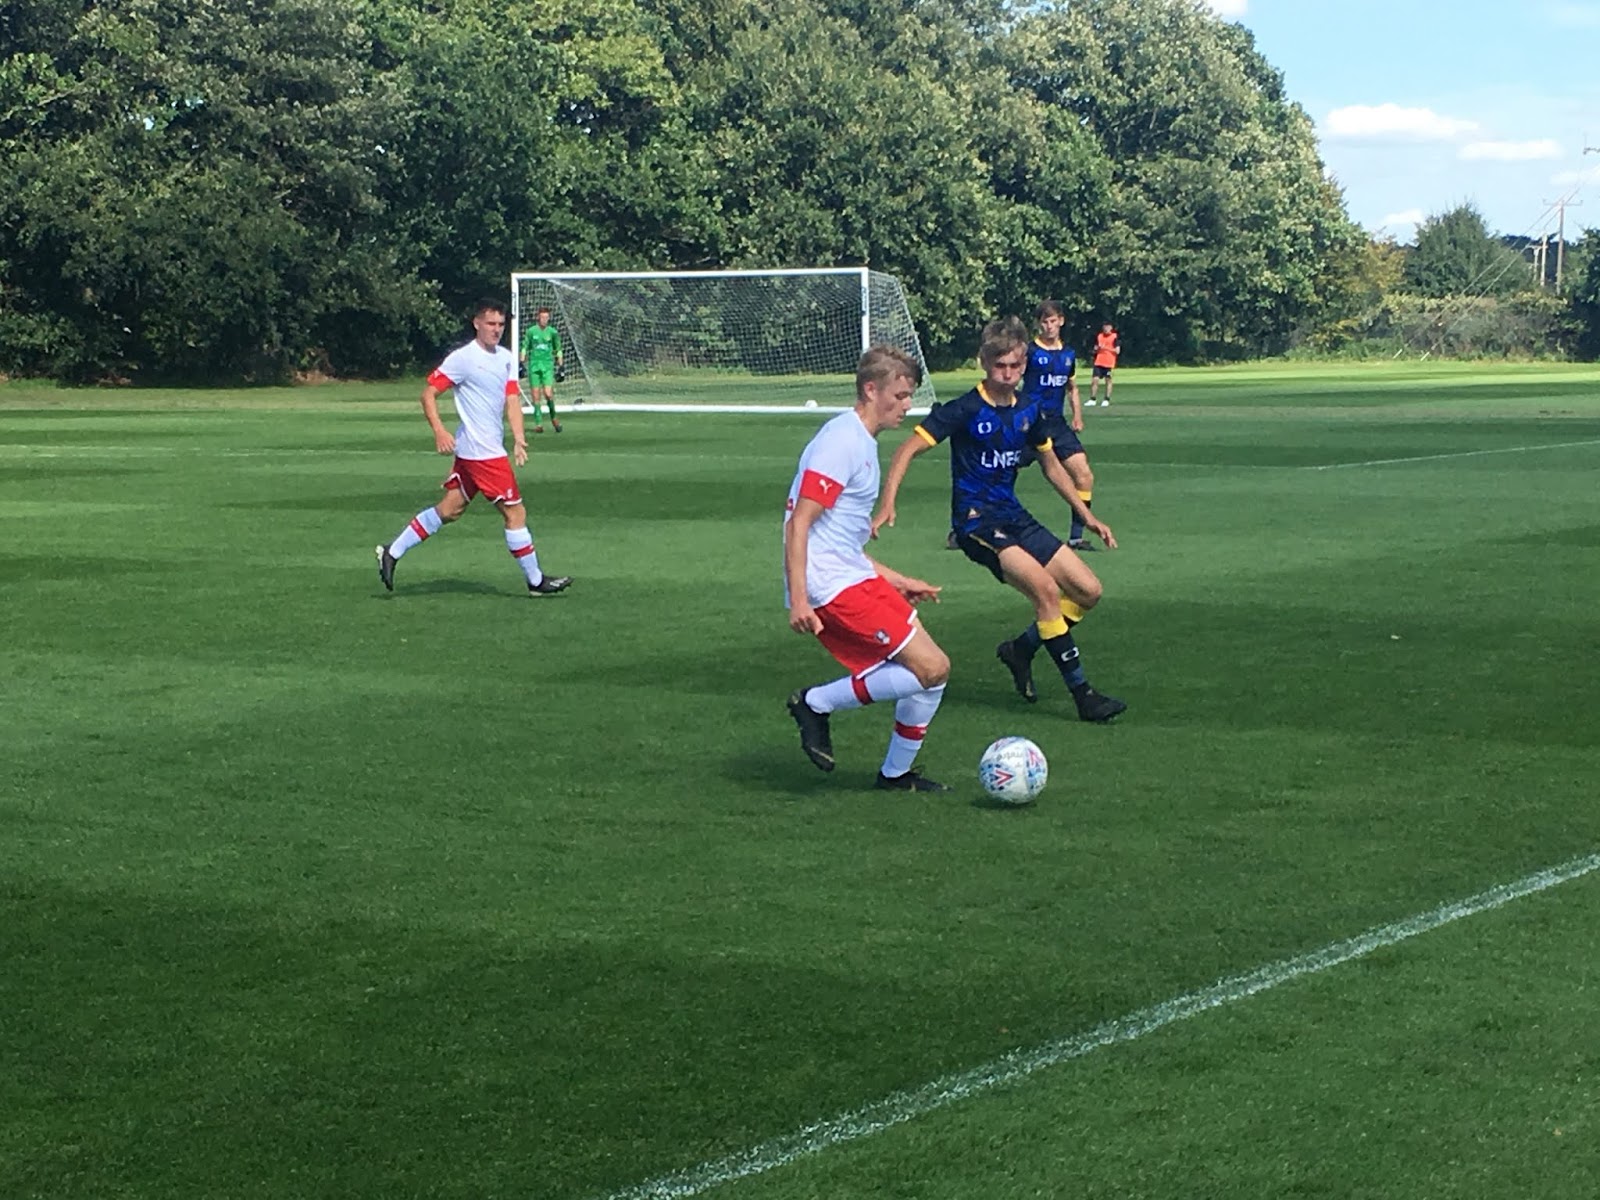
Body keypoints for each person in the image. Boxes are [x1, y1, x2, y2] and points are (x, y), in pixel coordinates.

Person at [874, 316, 1126, 724]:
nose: (1007, 374)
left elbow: (1052, 466)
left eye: (1014, 366)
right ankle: (1084, 696)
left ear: (1025, 363)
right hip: (976, 523)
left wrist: (1087, 516)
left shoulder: (1029, 409)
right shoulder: (965, 409)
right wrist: (888, 503)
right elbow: (906, 450)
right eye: (999, 366)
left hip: (1014, 516)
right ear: (984, 362)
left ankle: (1020, 649)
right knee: (1045, 591)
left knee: (1088, 590)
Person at [784, 346, 953, 792]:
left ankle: (896, 775)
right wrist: (799, 598)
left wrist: (897, 581)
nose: (907, 405)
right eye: (899, 395)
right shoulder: (841, 441)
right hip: (829, 585)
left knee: (933, 673)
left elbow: (843, 544)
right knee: (930, 667)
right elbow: (799, 523)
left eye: (909, 395)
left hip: (850, 575)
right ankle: (815, 703)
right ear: (871, 389)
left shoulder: (861, 442)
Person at [375, 299, 572, 597]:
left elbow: (511, 399)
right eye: (491, 324)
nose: (496, 330)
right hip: (483, 454)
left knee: (450, 509)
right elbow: (428, 395)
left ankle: (392, 551)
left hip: (480, 450)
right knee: (515, 514)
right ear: (476, 323)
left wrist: (519, 437)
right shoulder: (463, 359)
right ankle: (536, 582)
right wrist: (439, 431)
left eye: (501, 325)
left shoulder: (505, 358)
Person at [1023, 300, 1098, 553]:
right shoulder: (1030, 352)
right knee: (997, 474)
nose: (1049, 326)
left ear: (1061, 321)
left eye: (1053, 321)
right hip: (1030, 424)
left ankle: (1076, 538)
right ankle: (964, 527)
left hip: (1057, 424)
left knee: (1084, 475)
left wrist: (1078, 416)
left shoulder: (1068, 355)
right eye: (1044, 322)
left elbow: (1071, 388)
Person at [518, 306, 564, 433]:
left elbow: (558, 349)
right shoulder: (531, 331)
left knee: (548, 394)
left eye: (546, 317)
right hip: (534, 366)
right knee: (535, 395)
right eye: (542, 317)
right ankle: (538, 424)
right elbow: (524, 347)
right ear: (538, 317)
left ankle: (554, 417)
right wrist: (521, 363)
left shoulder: (553, 332)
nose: (544, 319)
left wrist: (561, 366)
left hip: (547, 366)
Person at [1088, 321, 1121, 407]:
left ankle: (1106, 399)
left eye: (1108, 327)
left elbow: (1117, 351)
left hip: (1109, 363)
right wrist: (1096, 349)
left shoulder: (1114, 337)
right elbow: (1095, 348)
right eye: (1104, 327)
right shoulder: (1099, 336)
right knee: (1095, 380)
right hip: (1099, 361)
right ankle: (1092, 399)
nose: (1106, 329)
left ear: (1111, 328)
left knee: (1108, 380)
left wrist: (1106, 348)